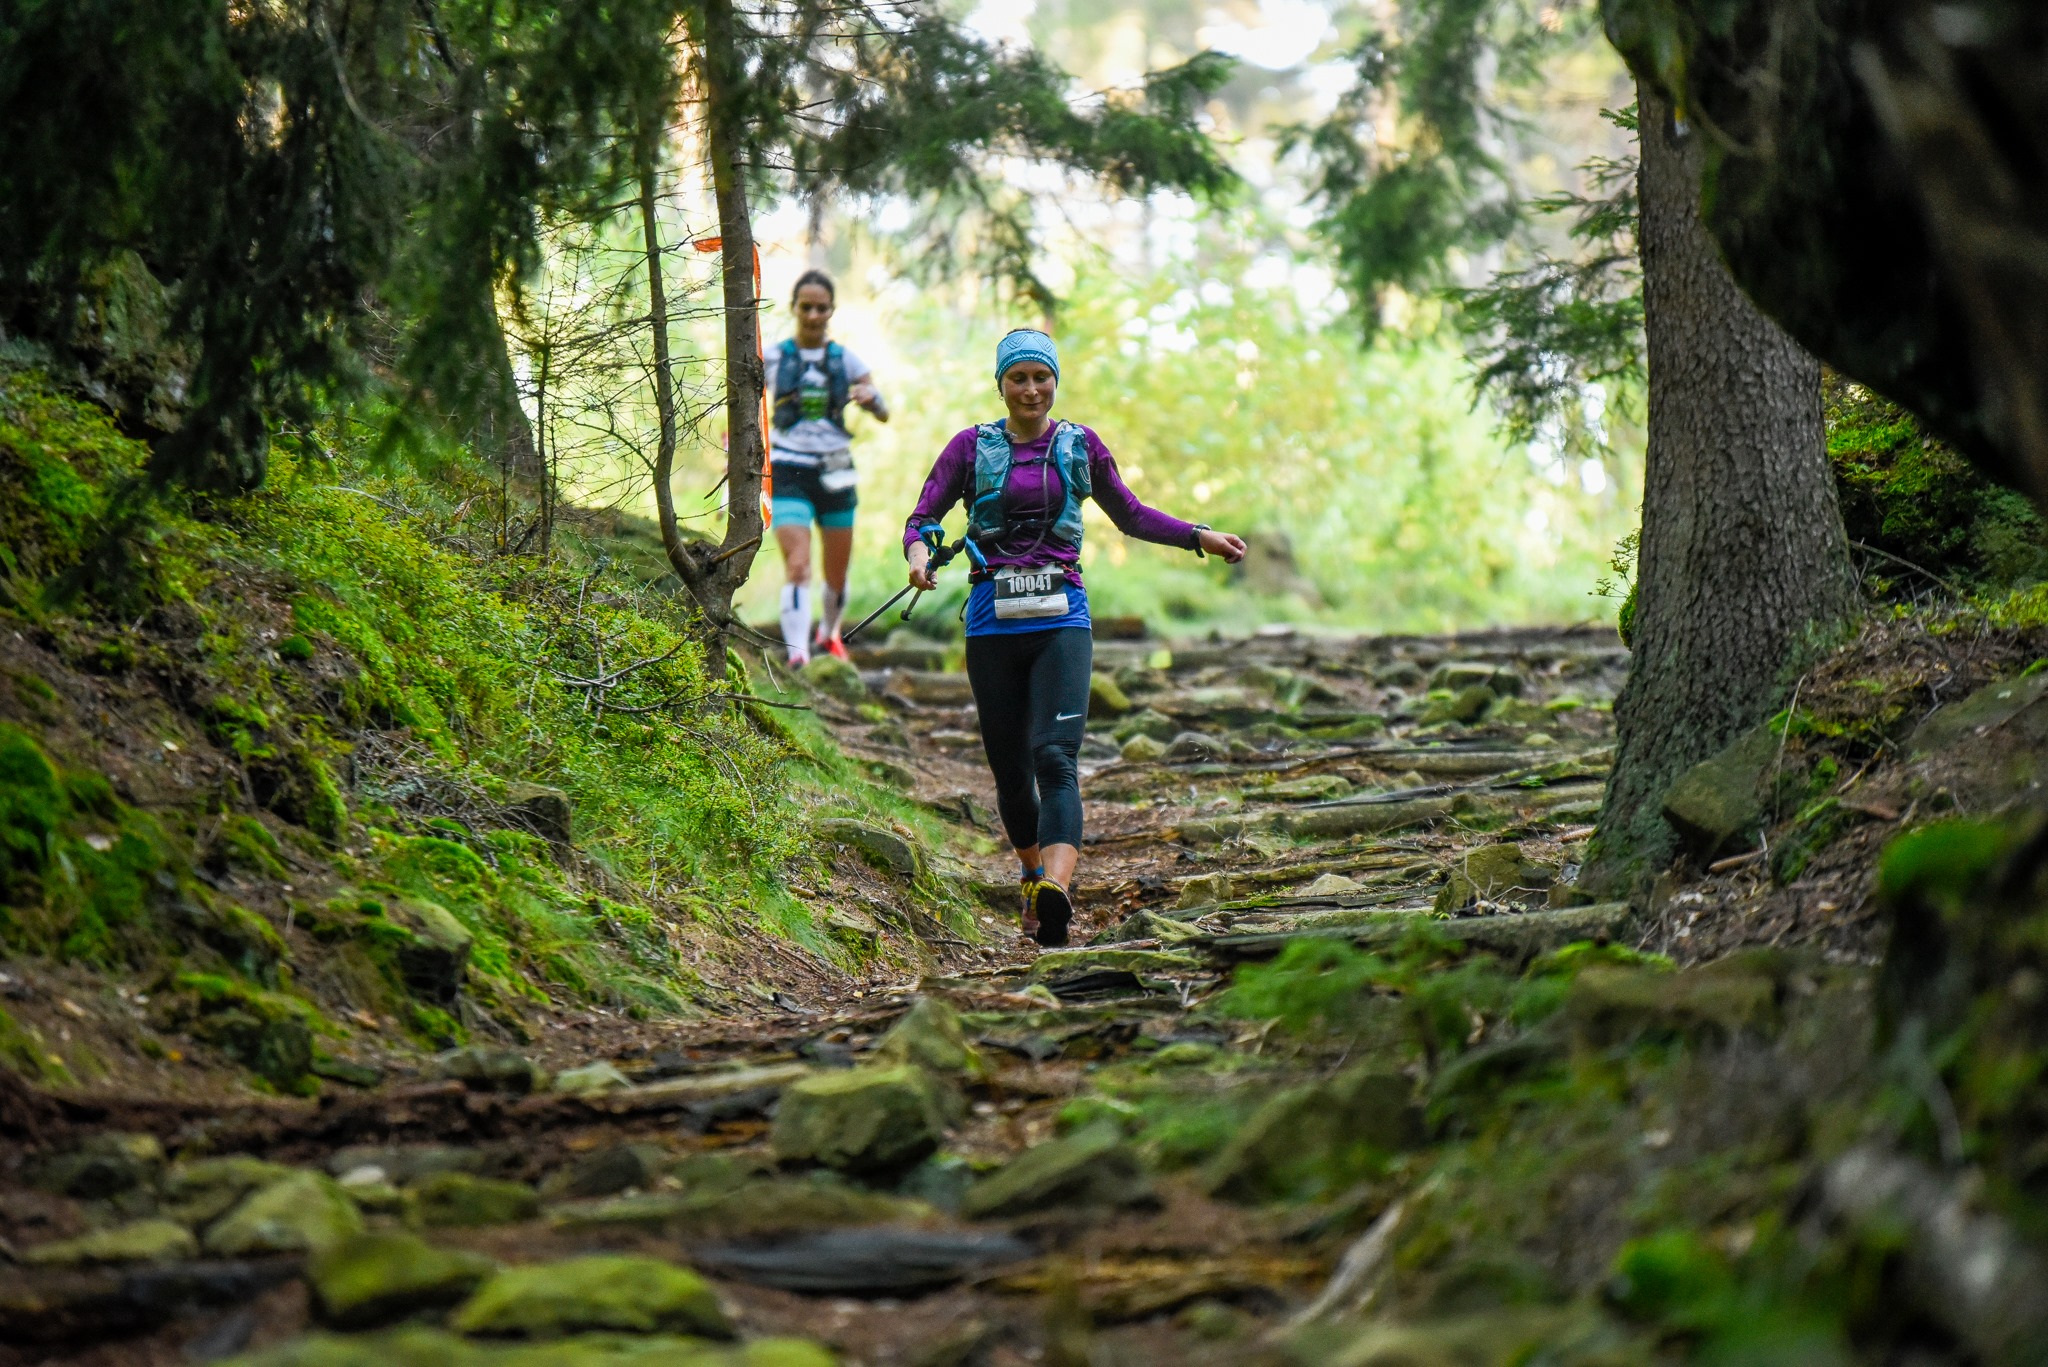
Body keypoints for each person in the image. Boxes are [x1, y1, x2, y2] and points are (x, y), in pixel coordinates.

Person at [902, 329, 1246, 946]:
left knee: (1055, 758)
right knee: (1010, 772)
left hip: (1063, 617)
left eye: (1041, 377)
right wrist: (919, 556)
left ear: (1055, 382)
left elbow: (1132, 514)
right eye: (1019, 378)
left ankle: (1059, 888)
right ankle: (1032, 876)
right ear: (1001, 384)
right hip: (991, 619)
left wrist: (1199, 535)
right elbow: (923, 517)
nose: (1031, 389)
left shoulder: (1079, 446)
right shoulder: (970, 448)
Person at [770, 269, 889, 665]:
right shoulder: (772, 356)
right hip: (788, 469)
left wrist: (870, 399)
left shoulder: (846, 359)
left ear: (832, 310)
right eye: (807, 307)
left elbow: (883, 411)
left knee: (836, 573)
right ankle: (796, 654)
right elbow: (741, 407)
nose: (814, 315)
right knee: (799, 564)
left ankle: (829, 634)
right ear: (794, 308)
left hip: (836, 468)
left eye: (822, 308)